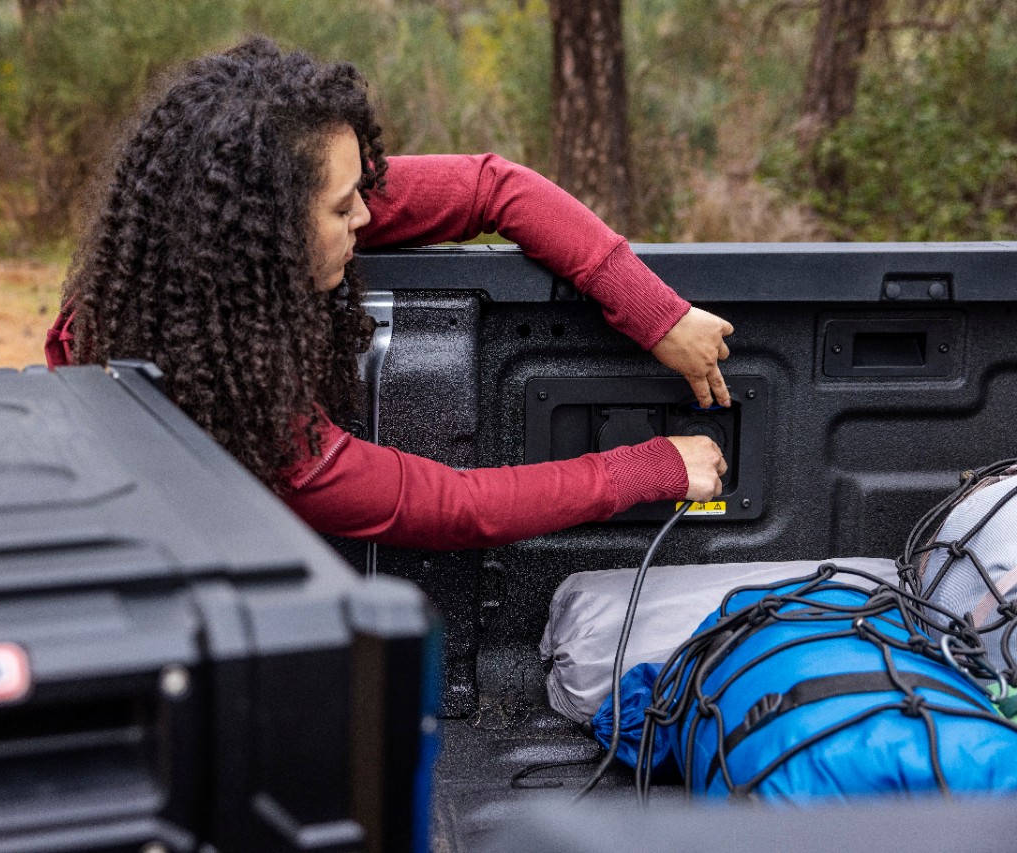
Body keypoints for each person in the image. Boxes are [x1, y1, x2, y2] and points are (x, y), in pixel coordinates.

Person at [47, 37, 732, 550]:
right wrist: (646, 468)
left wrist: (656, 313)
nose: (368, 219)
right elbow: (450, 505)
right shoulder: (215, 403)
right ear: (266, 232)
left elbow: (493, 186)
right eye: (344, 209)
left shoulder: (241, 229)